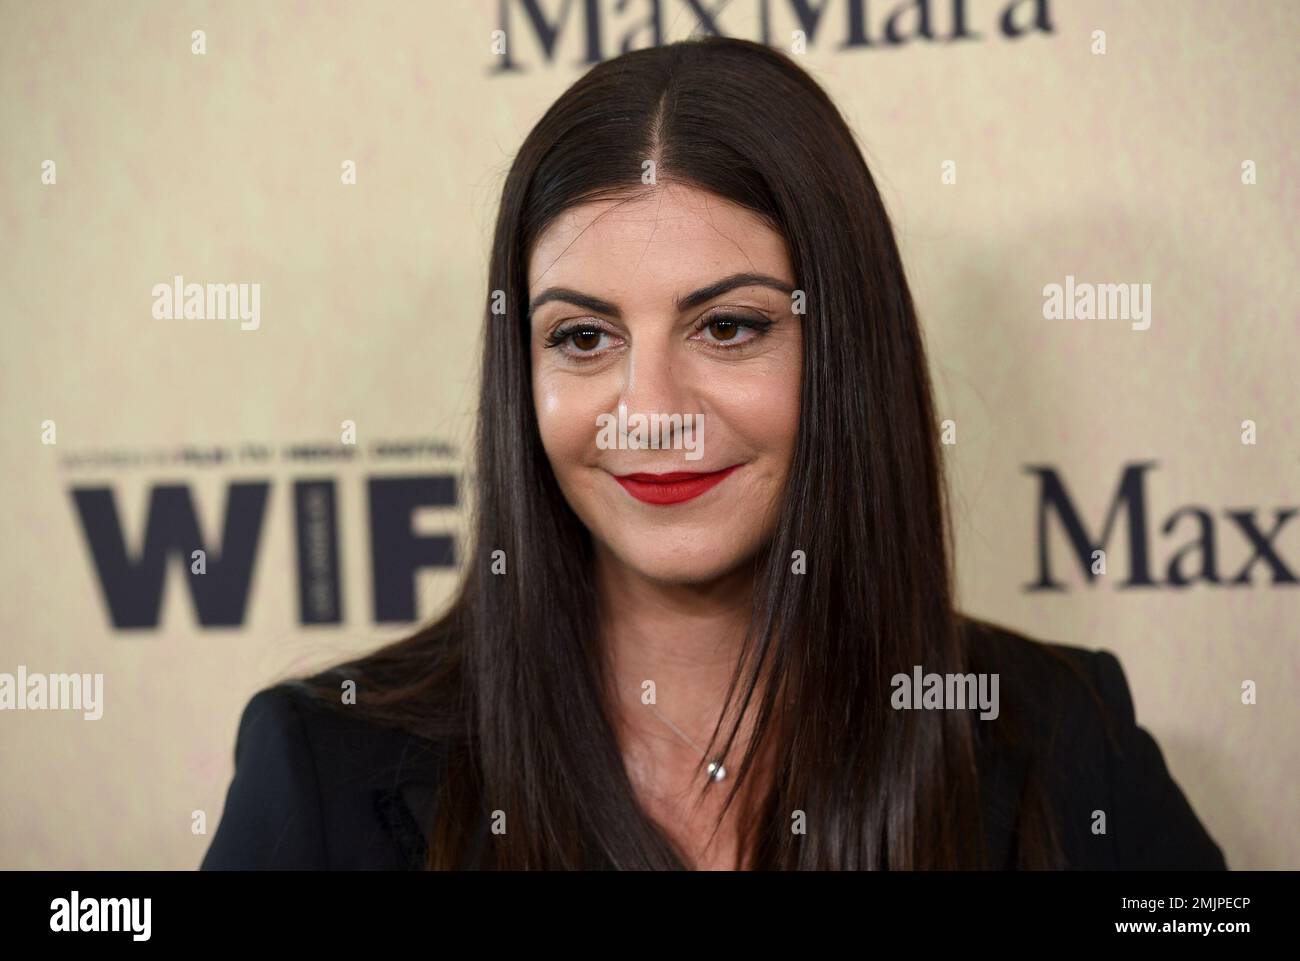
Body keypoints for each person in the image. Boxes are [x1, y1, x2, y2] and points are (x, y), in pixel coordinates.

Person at [201, 36, 1225, 871]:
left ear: (846, 353)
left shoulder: (1060, 733)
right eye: (582, 336)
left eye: (728, 327)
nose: (650, 412)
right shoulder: (325, 766)